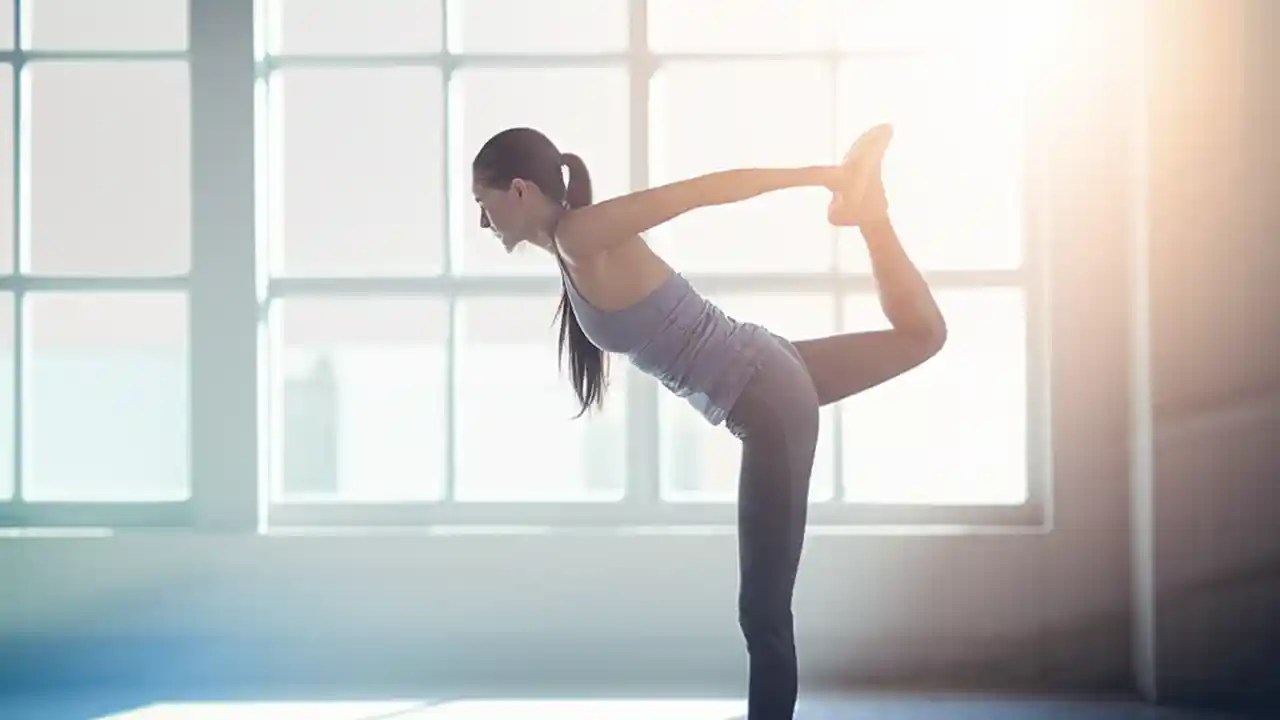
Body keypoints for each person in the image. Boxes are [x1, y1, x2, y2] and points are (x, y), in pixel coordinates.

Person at [471, 124, 947, 720]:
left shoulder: (579, 233)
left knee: (764, 614)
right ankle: (868, 212)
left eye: (482, 205)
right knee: (923, 336)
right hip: (771, 370)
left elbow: (700, 191)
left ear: (517, 191)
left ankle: (854, 192)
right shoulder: (572, 249)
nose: (483, 224)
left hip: (768, 397)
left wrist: (818, 176)